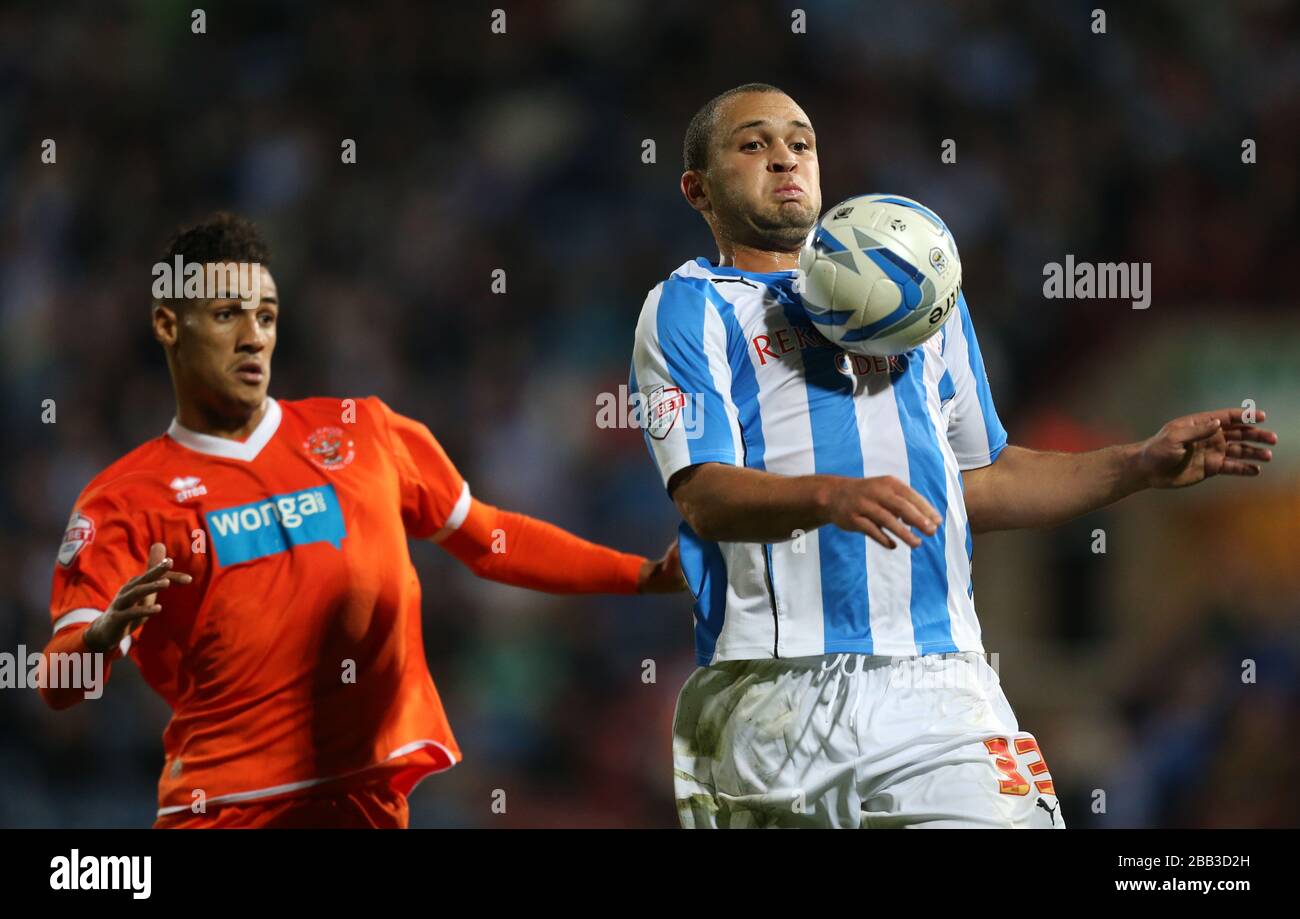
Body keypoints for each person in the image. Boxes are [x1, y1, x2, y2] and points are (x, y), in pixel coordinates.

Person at [630, 82, 1278, 828]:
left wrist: (1135, 464)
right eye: (753, 143)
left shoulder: (921, 289)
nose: (785, 156)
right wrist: (831, 496)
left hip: (941, 690)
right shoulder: (688, 306)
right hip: (770, 697)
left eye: (801, 142)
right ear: (697, 189)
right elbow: (703, 496)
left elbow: (984, 478)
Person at [43, 212, 684, 828]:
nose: (253, 336)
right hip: (227, 807)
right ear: (168, 324)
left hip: (364, 803)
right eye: (226, 315)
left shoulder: (361, 430)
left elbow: (490, 539)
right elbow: (57, 683)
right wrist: (99, 640)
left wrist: (641, 574)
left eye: (265, 315)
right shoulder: (124, 499)